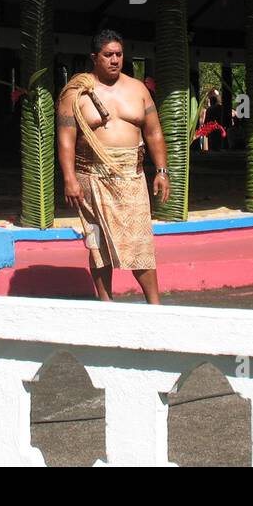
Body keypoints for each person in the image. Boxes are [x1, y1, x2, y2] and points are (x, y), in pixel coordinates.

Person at [57, 30, 168, 305]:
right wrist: (69, 178)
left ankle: (156, 306)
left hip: (132, 175)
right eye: (108, 55)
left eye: (119, 54)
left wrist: (162, 172)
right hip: (91, 176)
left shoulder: (138, 89)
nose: (115, 60)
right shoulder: (76, 93)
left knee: (140, 241)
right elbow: (66, 140)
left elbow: (154, 133)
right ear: (94, 58)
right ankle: (106, 306)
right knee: (98, 243)